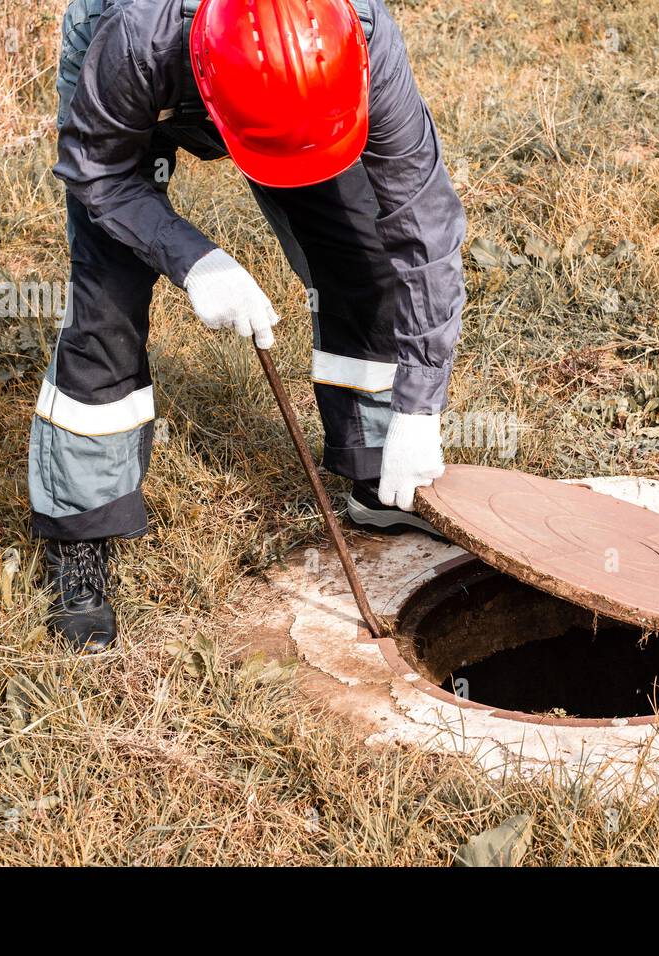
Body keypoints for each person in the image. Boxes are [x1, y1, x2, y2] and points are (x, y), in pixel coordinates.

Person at [32, 0, 465, 652]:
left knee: (362, 252)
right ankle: (79, 531)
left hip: (290, 98)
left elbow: (423, 224)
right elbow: (99, 170)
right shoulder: (135, 36)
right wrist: (194, 259)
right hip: (136, 82)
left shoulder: (359, 38)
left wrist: (419, 407)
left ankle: (380, 473)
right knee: (107, 302)